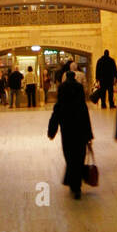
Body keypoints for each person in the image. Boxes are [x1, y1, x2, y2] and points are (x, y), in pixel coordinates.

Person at [47, 70, 93, 200]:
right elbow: (85, 116)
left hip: (67, 130)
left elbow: (56, 114)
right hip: (80, 130)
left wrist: (52, 131)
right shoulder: (80, 96)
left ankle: (74, 184)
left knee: (70, 156)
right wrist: (89, 134)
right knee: (79, 156)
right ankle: (76, 185)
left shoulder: (62, 96)